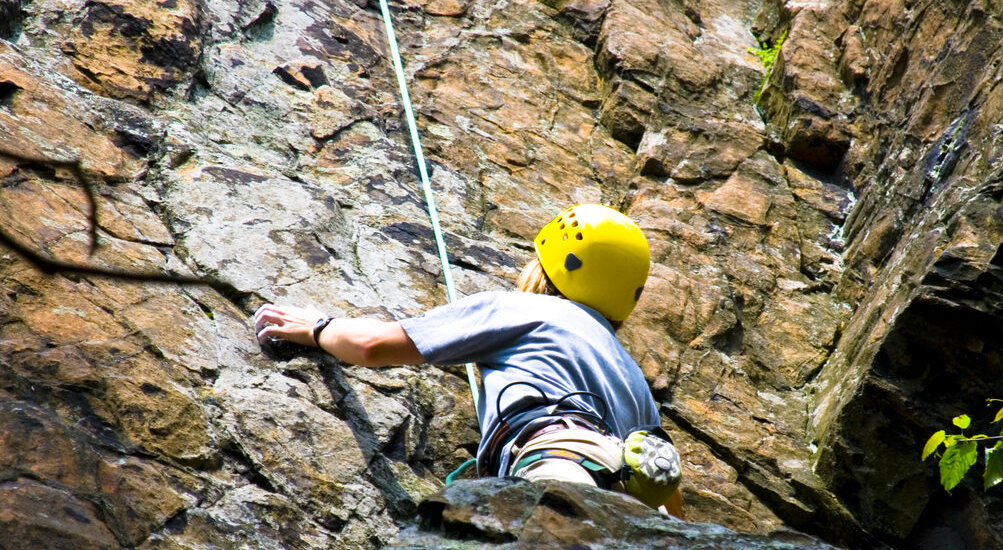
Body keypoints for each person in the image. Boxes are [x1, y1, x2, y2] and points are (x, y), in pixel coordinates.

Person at [253, 203, 682, 513]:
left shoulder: (520, 308)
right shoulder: (633, 377)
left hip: (561, 464)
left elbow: (372, 346)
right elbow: (672, 499)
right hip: (635, 508)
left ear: (550, 267)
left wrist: (318, 328)